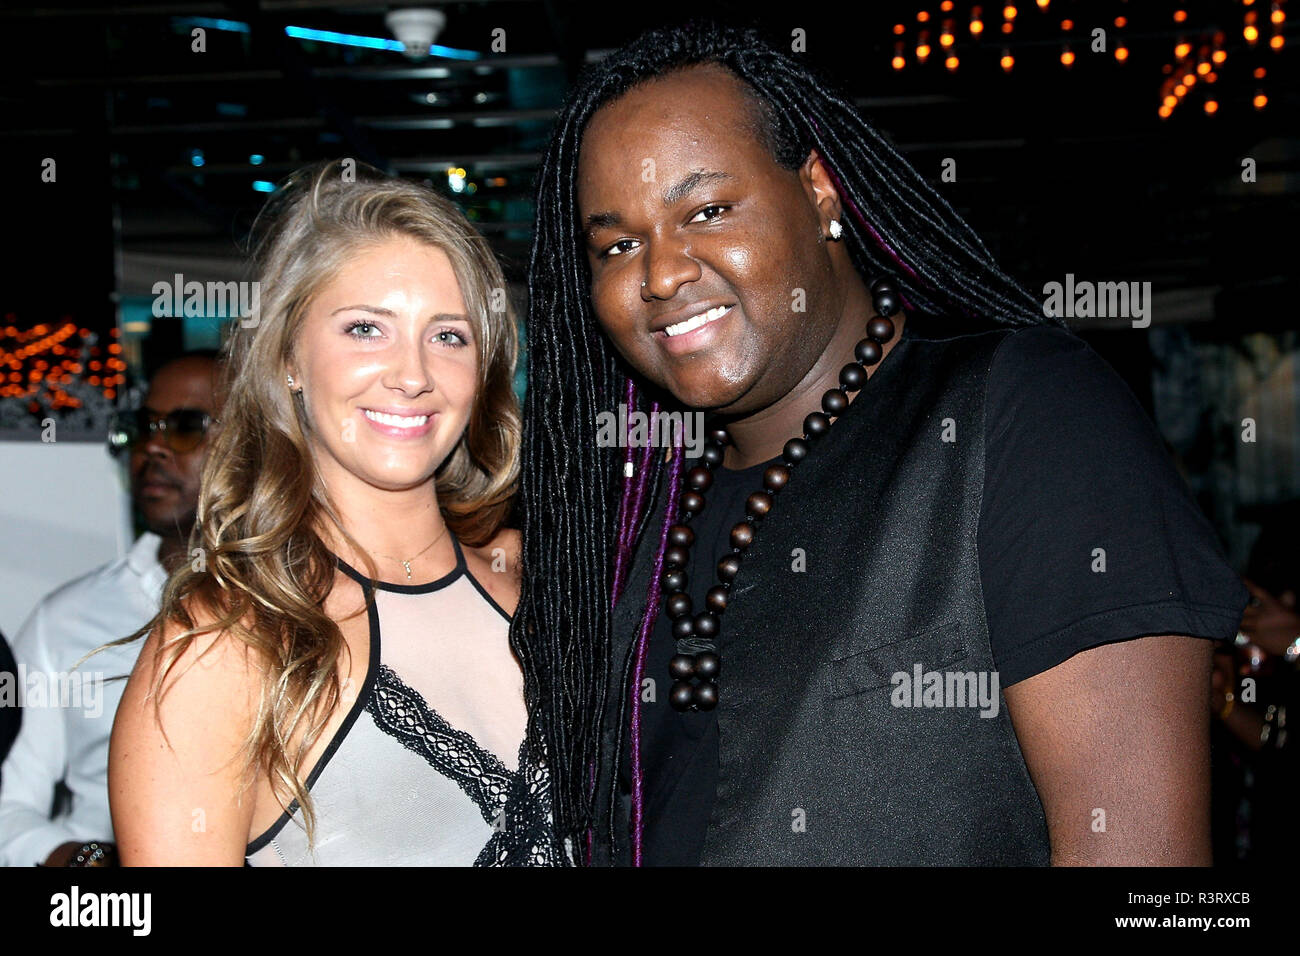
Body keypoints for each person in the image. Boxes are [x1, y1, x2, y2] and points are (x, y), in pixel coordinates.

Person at [512, 22, 1250, 865]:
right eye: (619, 245)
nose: (661, 273)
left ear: (821, 190)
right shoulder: (636, 505)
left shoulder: (1026, 415)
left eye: (709, 211)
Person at [109, 160, 565, 866]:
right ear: (289, 355)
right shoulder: (227, 642)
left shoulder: (535, 593)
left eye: (449, 336)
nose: (412, 374)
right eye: (365, 329)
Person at [0, 352, 219, 867]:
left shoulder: (311, 604)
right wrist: (96, 862)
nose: (154, 447)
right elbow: (10, 806)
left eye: (187, 427)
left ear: (261, 445)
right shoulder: (67, 617)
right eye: (142, 429)